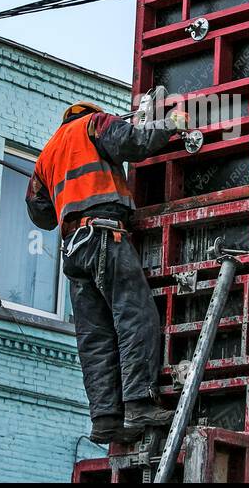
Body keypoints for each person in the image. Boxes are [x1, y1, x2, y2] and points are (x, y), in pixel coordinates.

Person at [26, 101, 189, 444]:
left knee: (95, 336)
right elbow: (134, 143)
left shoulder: (47, 154)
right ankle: (138, 403)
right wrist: (172, 124)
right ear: (88, 112)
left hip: (73, 249)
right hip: (104, 234)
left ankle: (105, 419)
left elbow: (40, 213)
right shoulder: (95, 125)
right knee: (135, 316)